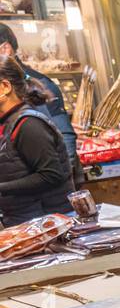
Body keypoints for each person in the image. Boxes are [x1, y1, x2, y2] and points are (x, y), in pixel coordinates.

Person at [0, 55, 76, 226]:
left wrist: (2, 187)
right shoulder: (8, 122)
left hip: (48, 225)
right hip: (27, 223)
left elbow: (51, 175)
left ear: (5, 87)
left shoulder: (28, 124)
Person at [0, 25, 81, 174]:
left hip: (48, 186)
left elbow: (65, 135)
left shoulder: (38, 84)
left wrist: (65, 178)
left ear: (5, 49)